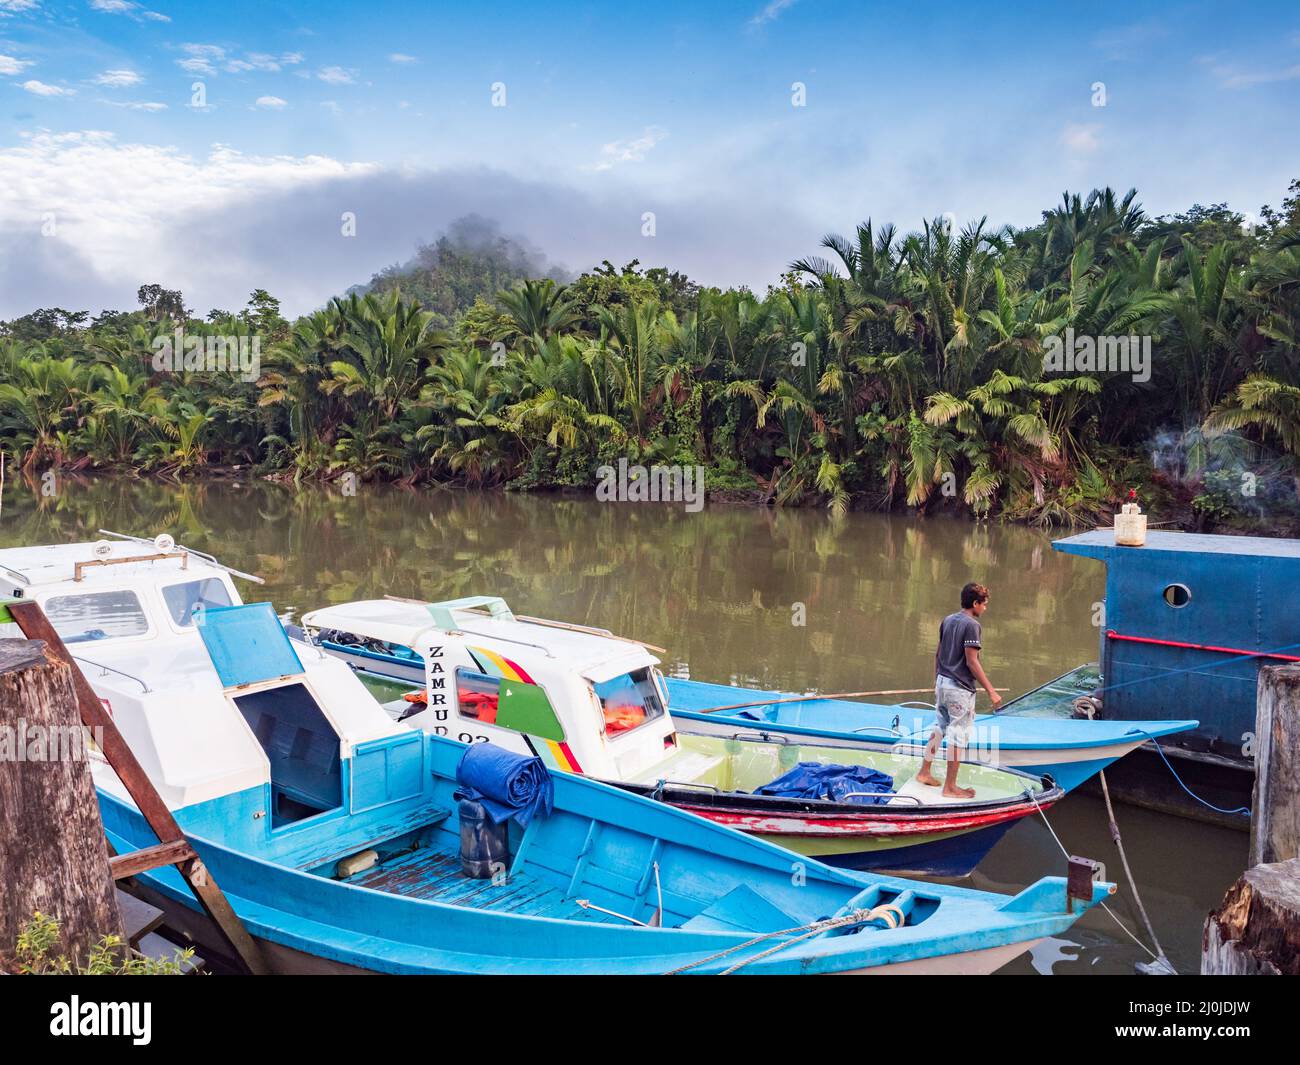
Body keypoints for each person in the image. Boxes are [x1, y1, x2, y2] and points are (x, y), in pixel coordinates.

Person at [916, 582, 1002, 798]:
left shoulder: (948, 620)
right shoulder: (971, 625)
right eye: (984, 604)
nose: (985, 608)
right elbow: (972, 662)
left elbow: (937, 653)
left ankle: (924, 772)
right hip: (958, 689)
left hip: (942, 683)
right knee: (958, 736)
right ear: (975, 603)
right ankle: (950, 787)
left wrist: (937, 678)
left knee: (940, 728)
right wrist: (991, 691)